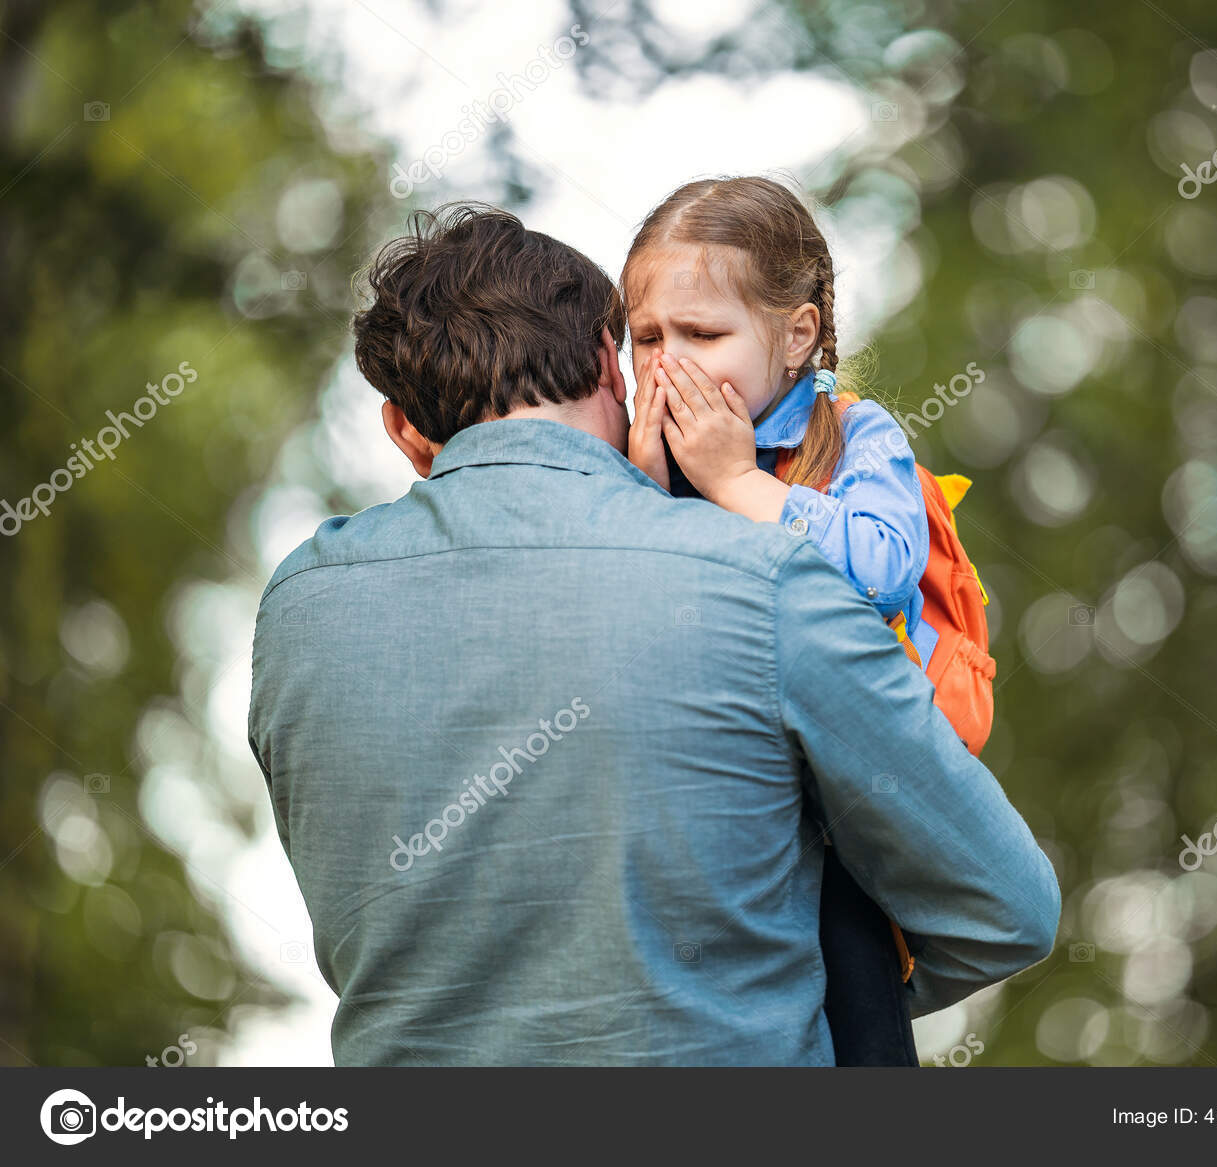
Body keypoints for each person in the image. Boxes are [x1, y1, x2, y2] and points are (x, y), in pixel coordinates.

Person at [247, 201, 1060, 1065]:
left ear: (405, 429)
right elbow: (1007, 908)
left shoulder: (298, 607)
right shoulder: (767, 576)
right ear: (612, 359)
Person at [620, 176, 996, 1064]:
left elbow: (877, 567)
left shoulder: (861, 437)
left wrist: (737, 484)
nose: (668, 362)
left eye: (702, 334)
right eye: (646, 337)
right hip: (707, 817)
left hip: (841, 830)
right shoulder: (641, 455)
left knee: (856, 1011)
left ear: (799, 334)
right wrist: (637, 489)